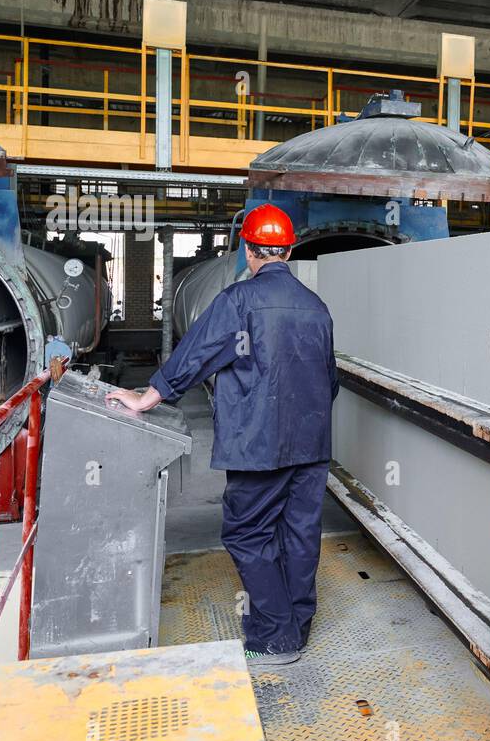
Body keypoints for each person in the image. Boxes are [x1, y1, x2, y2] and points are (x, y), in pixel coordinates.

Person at [106, 203, 338, 667]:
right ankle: (298, 624)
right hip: (311, 445)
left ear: (250, 251)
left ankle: (276, 636)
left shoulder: (238, 301)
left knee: (248, 532)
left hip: (258, 447)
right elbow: (329, 380)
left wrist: (148, 397)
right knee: (300, 533)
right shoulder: (317, 307)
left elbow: (198, 353)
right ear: (288, 250)